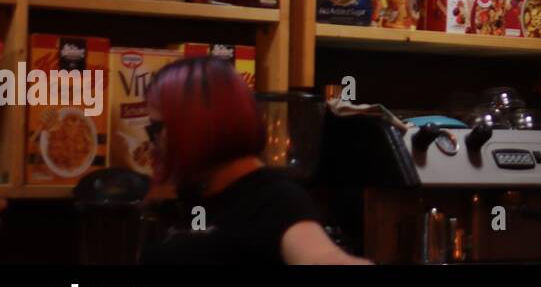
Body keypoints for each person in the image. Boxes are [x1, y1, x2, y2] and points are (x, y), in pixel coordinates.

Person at [140, 56, 369, 265]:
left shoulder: (275, 202)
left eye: (156, 128)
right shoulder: (195, 195)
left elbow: (323, 258)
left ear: (195, 128)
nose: (151, 143)